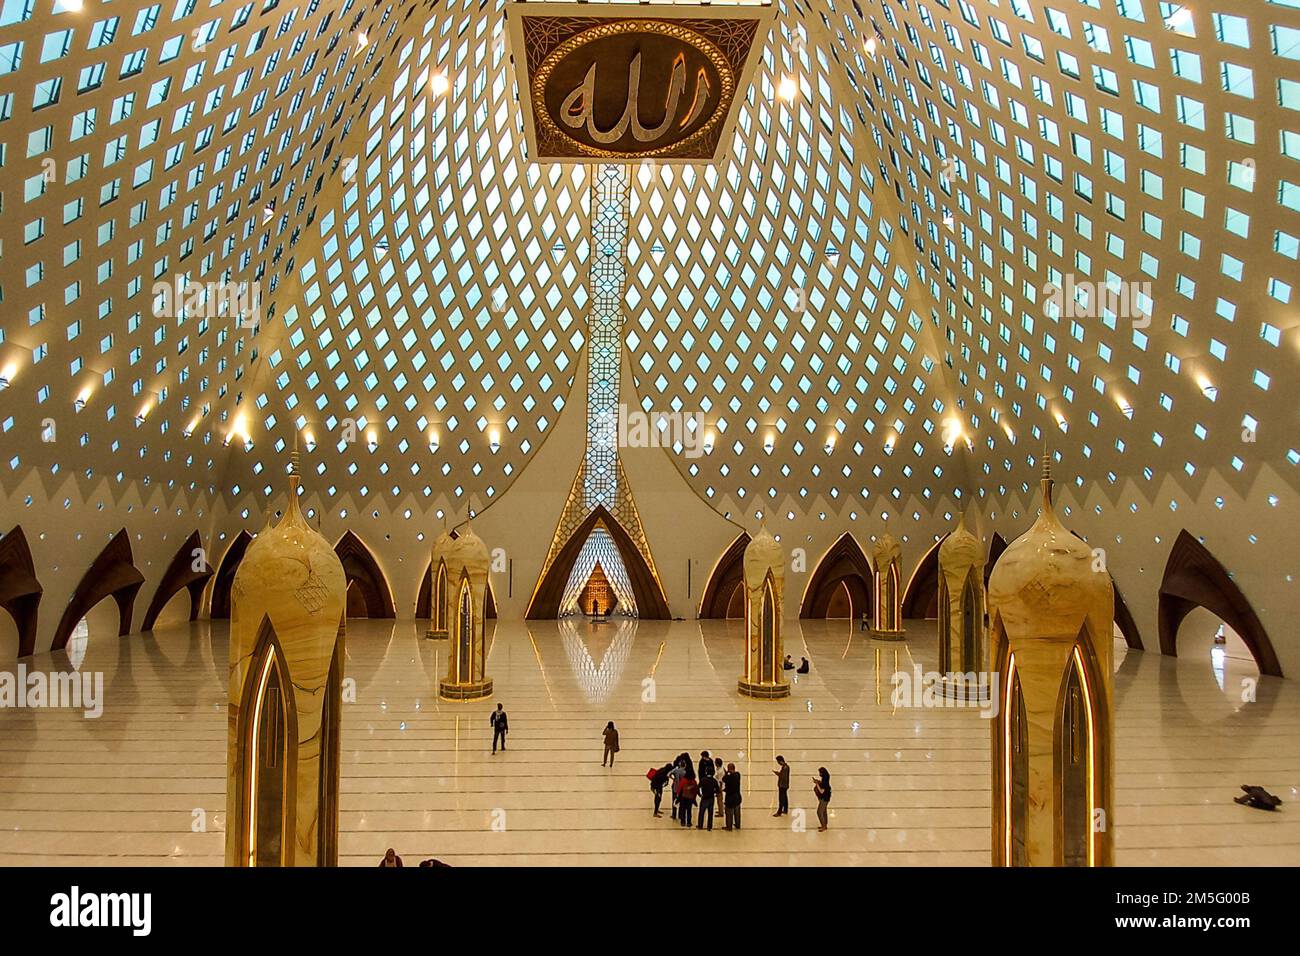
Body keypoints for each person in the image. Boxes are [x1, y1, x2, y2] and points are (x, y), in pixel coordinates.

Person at [722, 763, 743, 830]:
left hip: (730, 797)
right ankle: (737, 824)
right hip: (737, 796)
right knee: (737, 812)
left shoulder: (729, 777)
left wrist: (726, 773)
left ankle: (729, 826)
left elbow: (724, 779)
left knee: (729, 813)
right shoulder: (737, 775)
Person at [814, 767, 832, 831]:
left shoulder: (825, 782)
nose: (819, 774)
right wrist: (818, 782)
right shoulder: (826, 779)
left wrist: (817, 784)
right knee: (824, 811)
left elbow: (821, 791)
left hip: (824, 798)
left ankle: (823, 826)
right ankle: (825, 824)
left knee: (819, 812)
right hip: (826, 797)